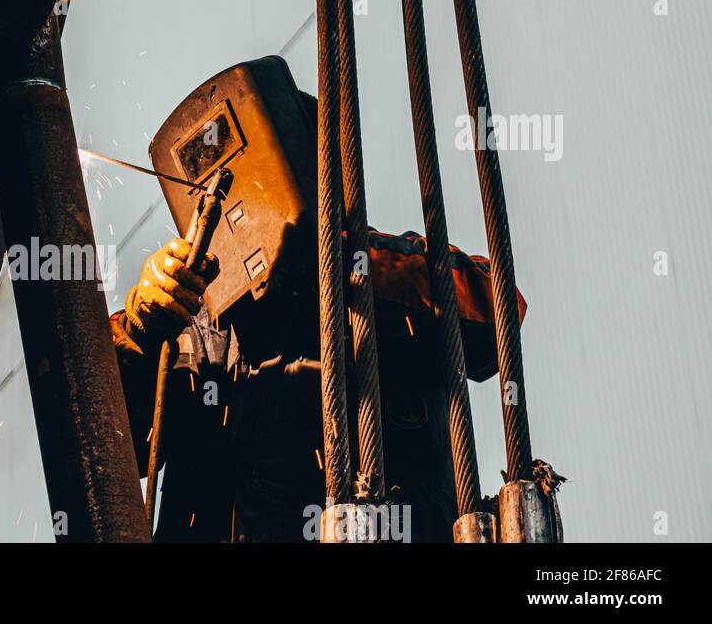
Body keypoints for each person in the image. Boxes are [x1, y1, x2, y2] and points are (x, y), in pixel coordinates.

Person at [110, 221, 525, 542]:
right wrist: (141, 328)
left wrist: (338, 252)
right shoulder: (195, 325)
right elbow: (106, 440)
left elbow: (498, 310)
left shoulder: (373, 281)